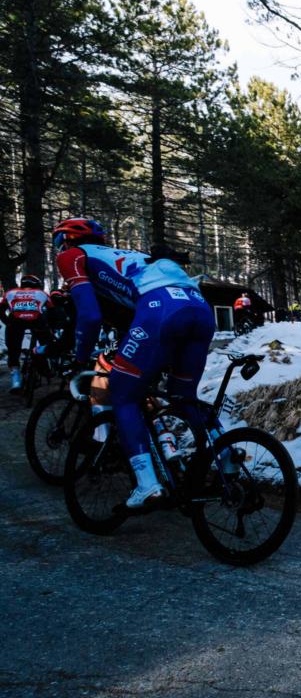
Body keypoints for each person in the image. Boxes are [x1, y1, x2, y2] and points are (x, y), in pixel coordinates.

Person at [54, 218, 215, 509]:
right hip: (200, 308)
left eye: (57, 243)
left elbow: (89, 316)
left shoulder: (71, 256)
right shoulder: (127, 255)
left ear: (65, 240)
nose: (58, 250)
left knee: (122, 393)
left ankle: (146, 484)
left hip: (160, 310)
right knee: (184, 399)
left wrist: (80, 358)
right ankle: (226, 459)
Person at [0, 275, 52, 391]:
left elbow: (1, 309)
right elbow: (52, 309)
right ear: (36, 285)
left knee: (13, 349)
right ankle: (44, 366)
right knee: (47, 343)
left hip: (16, 322)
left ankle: (16, 380)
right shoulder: (41, 293)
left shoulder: (10, 293)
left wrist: (7, 321)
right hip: (36, 321)